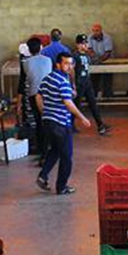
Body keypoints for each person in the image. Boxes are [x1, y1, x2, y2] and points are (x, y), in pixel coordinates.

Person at [35, 52, 92, 195]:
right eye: (66, 63)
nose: (69, 66)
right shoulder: (62, 81)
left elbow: (38, 95)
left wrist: (44, 111)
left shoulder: (48, 78)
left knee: (55, 150)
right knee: (67, 156)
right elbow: (68, 103)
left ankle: (43, 176)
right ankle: (61, 186)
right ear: (58, 64)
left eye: (71, 63)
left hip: (48, 123)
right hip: (60, 123)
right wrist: (82, 118)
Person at [73, 34, 110, 135]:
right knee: (76, 105)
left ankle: (100, 124)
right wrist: (73, 85)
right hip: (79, 83)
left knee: (93, 104)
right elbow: (71, 71)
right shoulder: (75, 56)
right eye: (82, 44)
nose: (84, 46)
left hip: (87, 83)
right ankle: (70, 125)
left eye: (86, 43)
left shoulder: (86, 55)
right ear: (77, 45)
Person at [24, 37, 53, 159]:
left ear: (29, 50)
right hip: (48, 94)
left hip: (34, 94)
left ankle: (42, 150)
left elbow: (28, 79)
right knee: (48, 120)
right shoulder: (48, 60)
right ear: (41, 47)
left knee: (38, 121)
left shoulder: (26, 63)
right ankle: (49, 148)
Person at [88, 23, 115, 98]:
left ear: (101, 31)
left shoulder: (107, 38)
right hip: (95, 62)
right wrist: (95, 58)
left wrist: (99, 60)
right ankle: (93, 98)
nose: (95, 33)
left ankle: (107, 98)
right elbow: (89, 50)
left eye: (97, 31)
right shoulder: (90, 37)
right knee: (94, 80)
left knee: (107, 81)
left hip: (107, 61)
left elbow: (108, 52)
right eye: (93, 31)